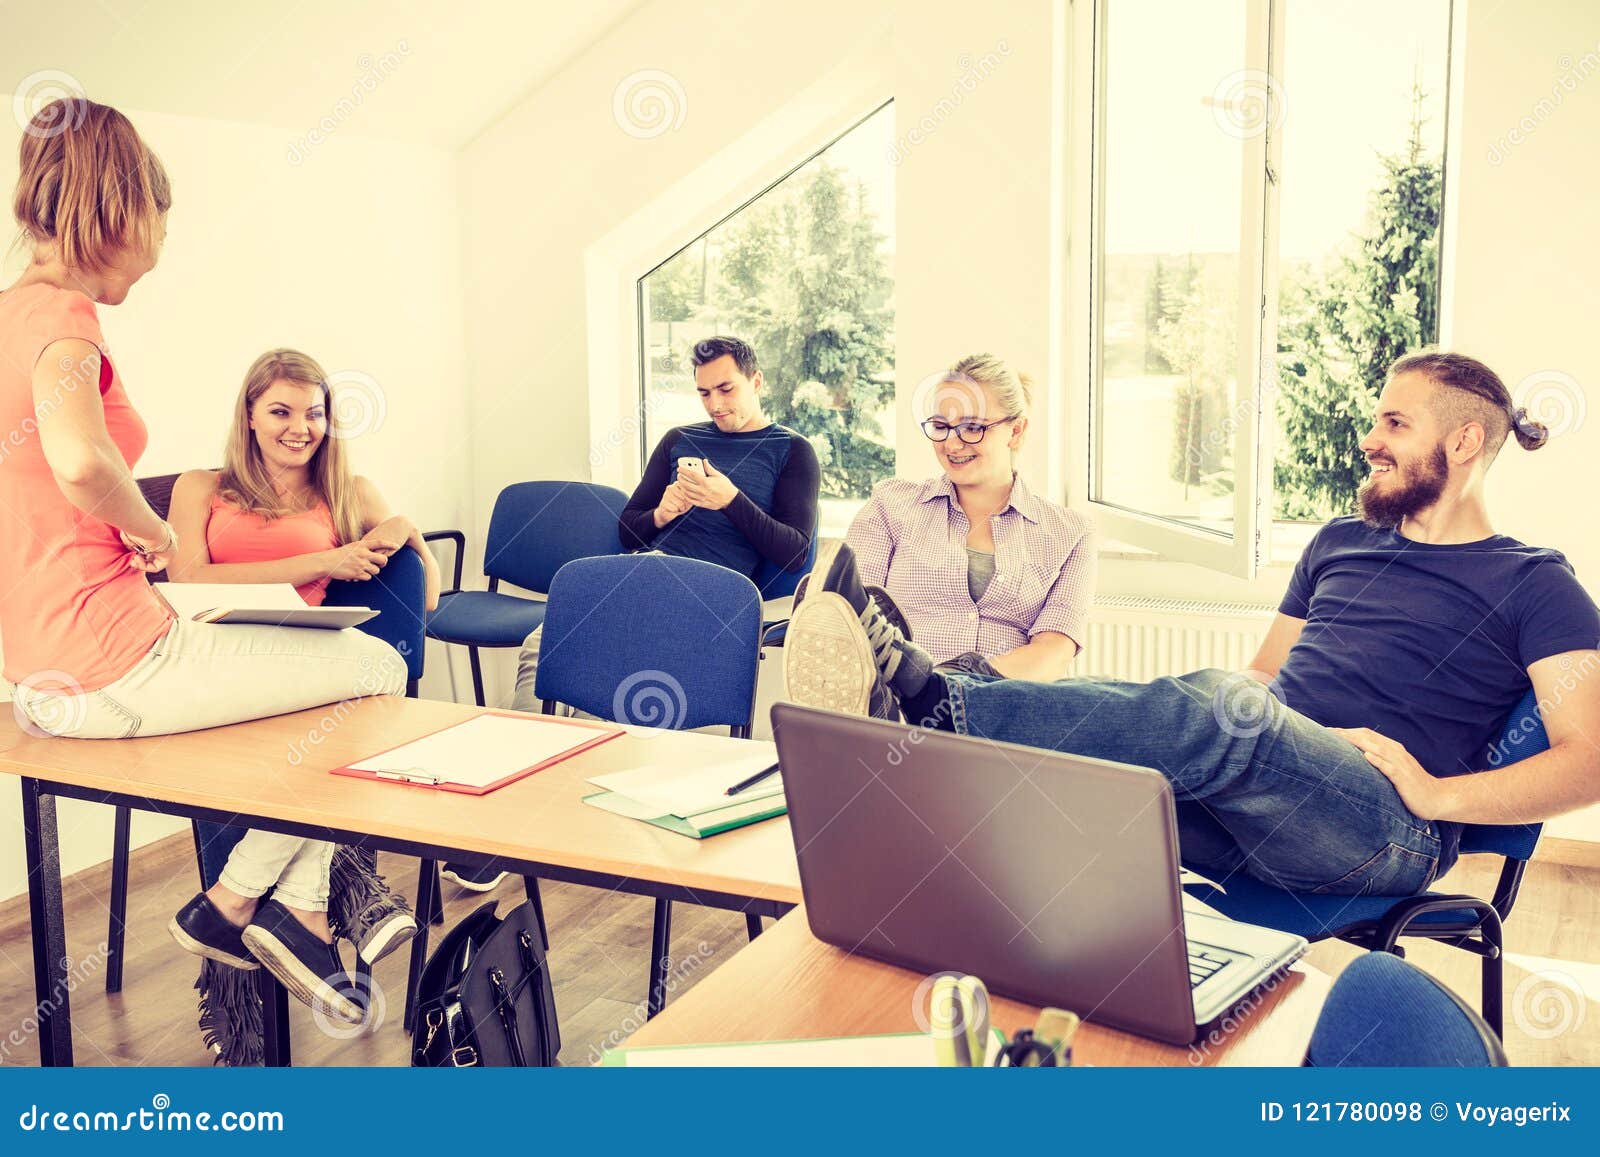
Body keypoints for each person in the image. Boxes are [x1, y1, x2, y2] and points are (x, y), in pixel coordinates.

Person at [784, 351, 1600, 897]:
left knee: (1218, 709)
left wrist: (1439, 793)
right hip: (1263, 790)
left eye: (1394, 423)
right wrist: (1179, 710)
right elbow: (1264, 677)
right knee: (1084, 787)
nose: (1368, 439)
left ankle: (934, 701)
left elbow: (1590, 760)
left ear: (1463, 440)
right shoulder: (1339, 542)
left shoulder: (1533, 582)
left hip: (1385, 826)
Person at [0, 99, 405, 1026]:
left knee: (311, 696)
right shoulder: (65, 316)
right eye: (159, 223)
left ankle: (295, 911)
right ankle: (240, 900)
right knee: (379, 668)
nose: (157, 251)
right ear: (121, 207)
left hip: (37, 673)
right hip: (113, 660)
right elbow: (80, 460)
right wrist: (150, 528)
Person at [447, 335, 821, 893]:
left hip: (713, 596)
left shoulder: (791, 451)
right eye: (704, 393)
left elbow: (794, 552)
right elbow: (628, 531)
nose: (716, 405)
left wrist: (730, 502)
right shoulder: (679, 441)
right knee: (542, 646)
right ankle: (514, 809)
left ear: (756, 381)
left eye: (726, 389)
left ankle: (527, 819)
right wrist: (664, 511)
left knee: (598, 677)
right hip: (642, 575)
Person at [166, 346, 443, 972]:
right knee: (359, 710)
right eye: (281, 411)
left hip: (301, 658)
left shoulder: (347, 492)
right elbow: (187, 577)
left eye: (314, 413)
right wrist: (324, 561)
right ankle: (316, 902)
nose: (300, 428)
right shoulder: (201, 487)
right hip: (212, 651)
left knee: (363, 702)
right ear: (249, 415)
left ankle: (238, 900)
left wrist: (405, 532)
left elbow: (424, 591)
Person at [788, 354, 1094, 718]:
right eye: (941, 426)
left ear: (1015, 431)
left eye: (972, 427)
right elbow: (852, 626)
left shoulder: (1070, 533)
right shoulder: (891, 504)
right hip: (891, 710)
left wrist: (942, 691)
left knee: (1103, 697)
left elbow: (1053, 652)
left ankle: (923, 689)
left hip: (1000, 711)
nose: (952, 443)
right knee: (847, 615)